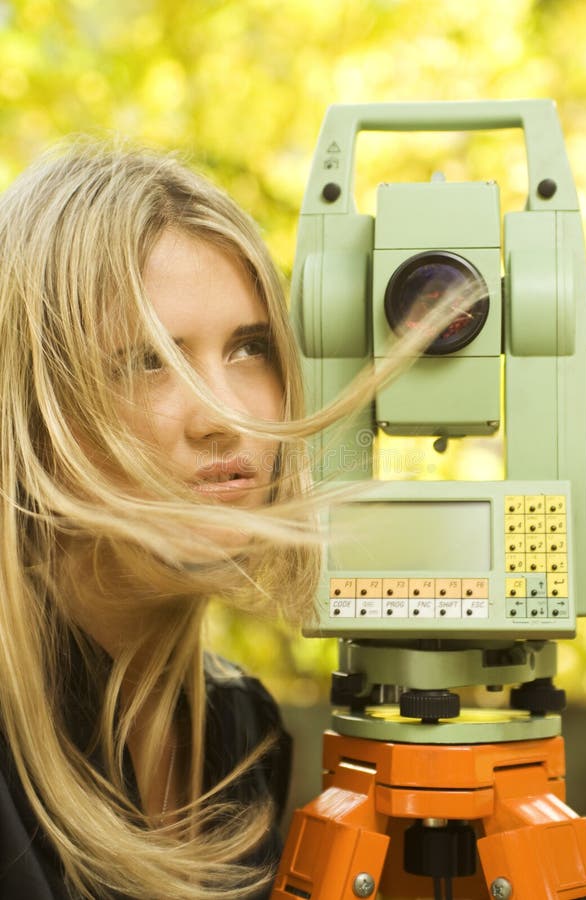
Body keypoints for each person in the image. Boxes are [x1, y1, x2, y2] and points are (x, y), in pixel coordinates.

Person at [0, 140, 319, 900]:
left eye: (249, 349)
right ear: (34, 406)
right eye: (148, 360)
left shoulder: (241, 731)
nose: (225, 416)